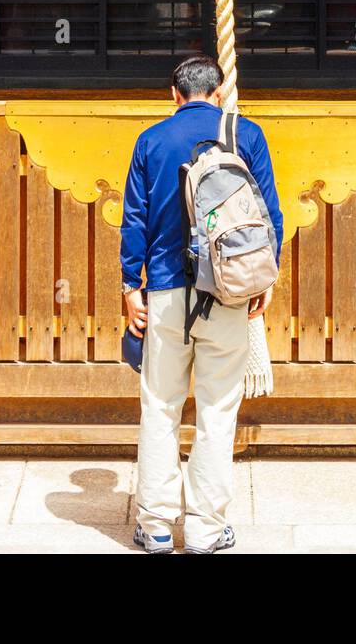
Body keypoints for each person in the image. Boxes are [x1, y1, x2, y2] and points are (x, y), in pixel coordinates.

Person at [121, 54, 283, 554]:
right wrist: (263, 280)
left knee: (161, 406)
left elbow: (135, 221)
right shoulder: (246, 135)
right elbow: (269, 215)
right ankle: (207, 530)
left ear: (174, 95)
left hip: (166, 292)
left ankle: (156, 526)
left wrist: (131, 286)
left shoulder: (150, 141)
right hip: (229, 291)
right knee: (217, 409)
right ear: (218, 92)